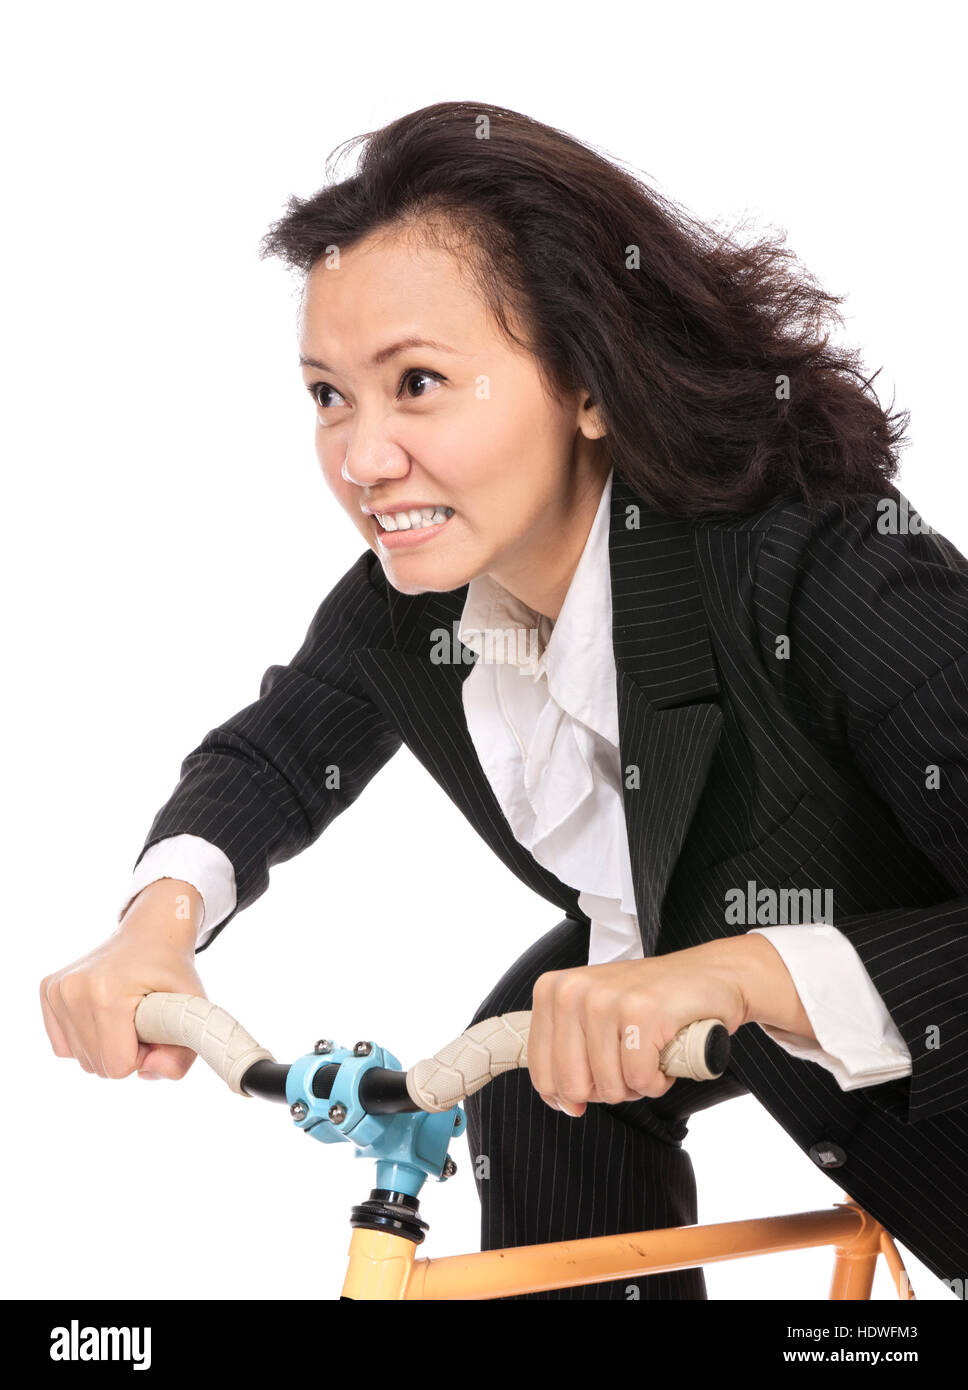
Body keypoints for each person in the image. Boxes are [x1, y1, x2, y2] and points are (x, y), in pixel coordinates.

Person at [39, 101, 968, 1300]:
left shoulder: (821, 563)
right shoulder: (418, 596)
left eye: (416, 383)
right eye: (327, 394)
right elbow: (282, 748)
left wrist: (733, 971)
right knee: (537, 1086)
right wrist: (156, 923)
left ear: (588, 382)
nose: (361, 459)